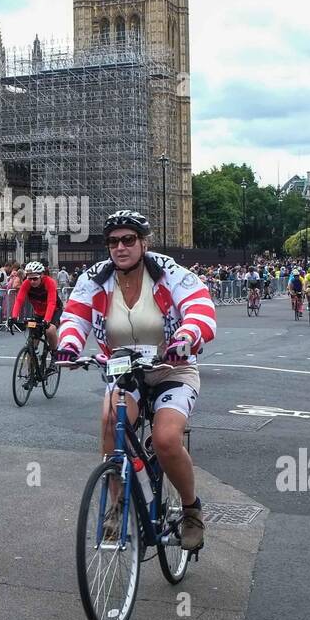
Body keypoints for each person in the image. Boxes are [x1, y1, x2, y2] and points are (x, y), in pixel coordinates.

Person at [56, 210, 216, 551]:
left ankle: (191, 510)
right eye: (113, 242)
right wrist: (69, 344)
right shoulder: (95, 278)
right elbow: (74, 315)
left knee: (167, 439)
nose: (120, 247)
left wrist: (186, 335)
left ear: (144, 242)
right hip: (123, 370)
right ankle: (116, 507)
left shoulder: (167, 271)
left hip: (172, 367)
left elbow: (199, 305)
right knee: (110, 420)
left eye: (128, 239)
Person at [10, 261, 61, 352]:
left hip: (54, 311)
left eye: (35, 278)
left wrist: (47, 320)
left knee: (49, 330)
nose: (32, 281)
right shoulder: (26, 283)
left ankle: (54, 354)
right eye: (30, 279)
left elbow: (51, 303)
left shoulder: (49, 282)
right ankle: (32, 359)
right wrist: (14, 316)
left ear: (41, 275)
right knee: (32, 339)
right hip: (38, 313)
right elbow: (19, 300)